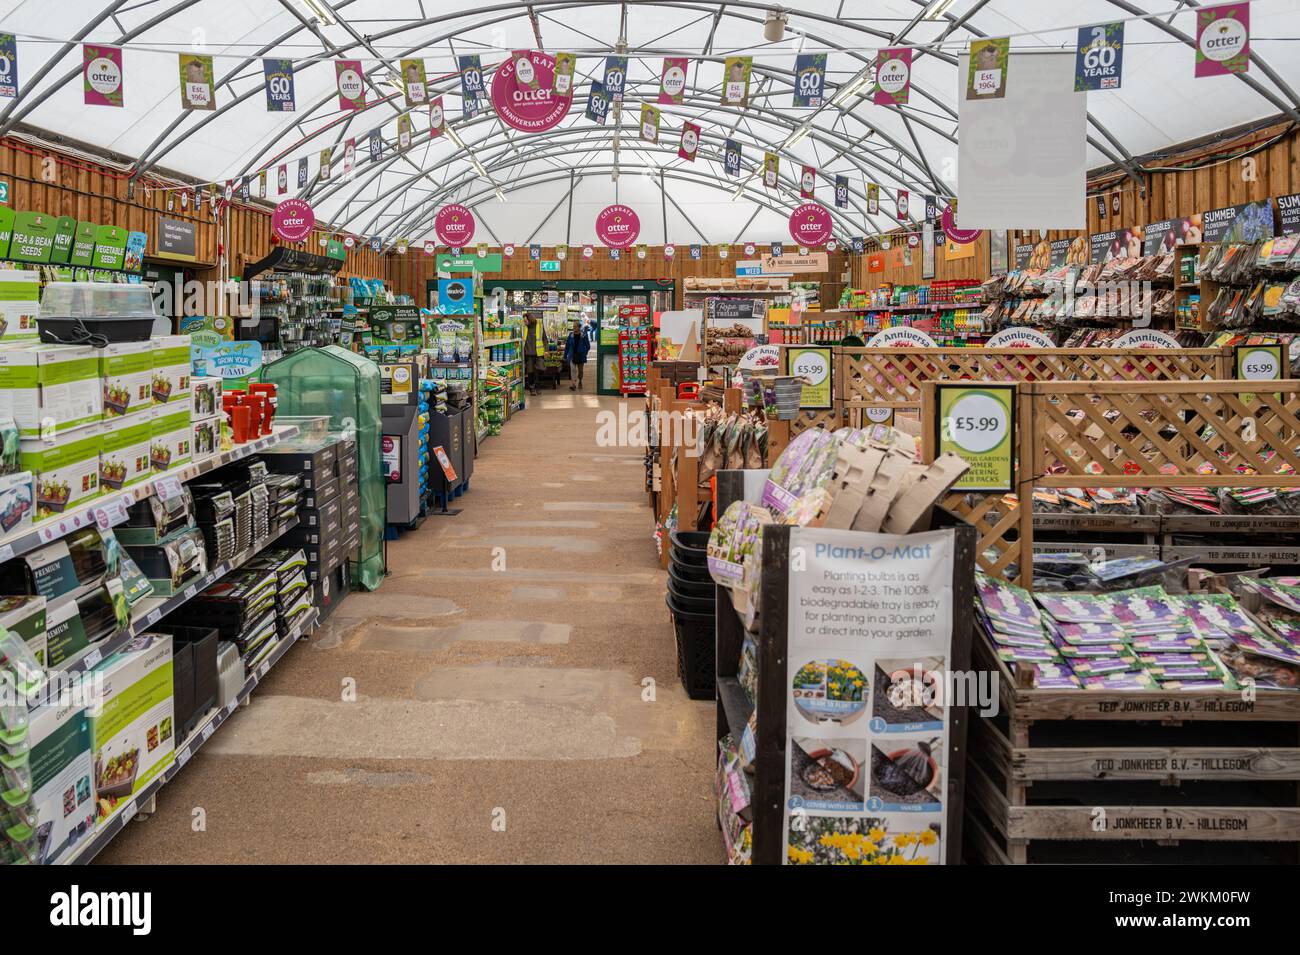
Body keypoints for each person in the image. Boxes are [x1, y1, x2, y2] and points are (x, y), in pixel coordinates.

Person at [564, 319, 590, 391]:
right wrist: (565, 356)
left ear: (579, 327)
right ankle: (573, 384)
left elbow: (588, 346)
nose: (573, 328)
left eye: (575, 326)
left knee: (580, 371)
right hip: (572, 355)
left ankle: (580, 381)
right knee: (573, 370)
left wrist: (584, 352)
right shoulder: (571, 335)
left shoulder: (583, 335)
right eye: (573, 326)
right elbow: (567, 346)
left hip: (581, 356)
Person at [524, 314, 547, 396]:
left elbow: (544, 338)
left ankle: (537, 386)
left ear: (530, 320)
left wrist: (546, 350)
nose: (524, 322)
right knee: (530, 372)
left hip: (539, 353)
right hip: (528, 354)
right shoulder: (524, 328)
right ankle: (532, 388)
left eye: (526, 320)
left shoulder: (539, 326)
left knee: (540, 369)